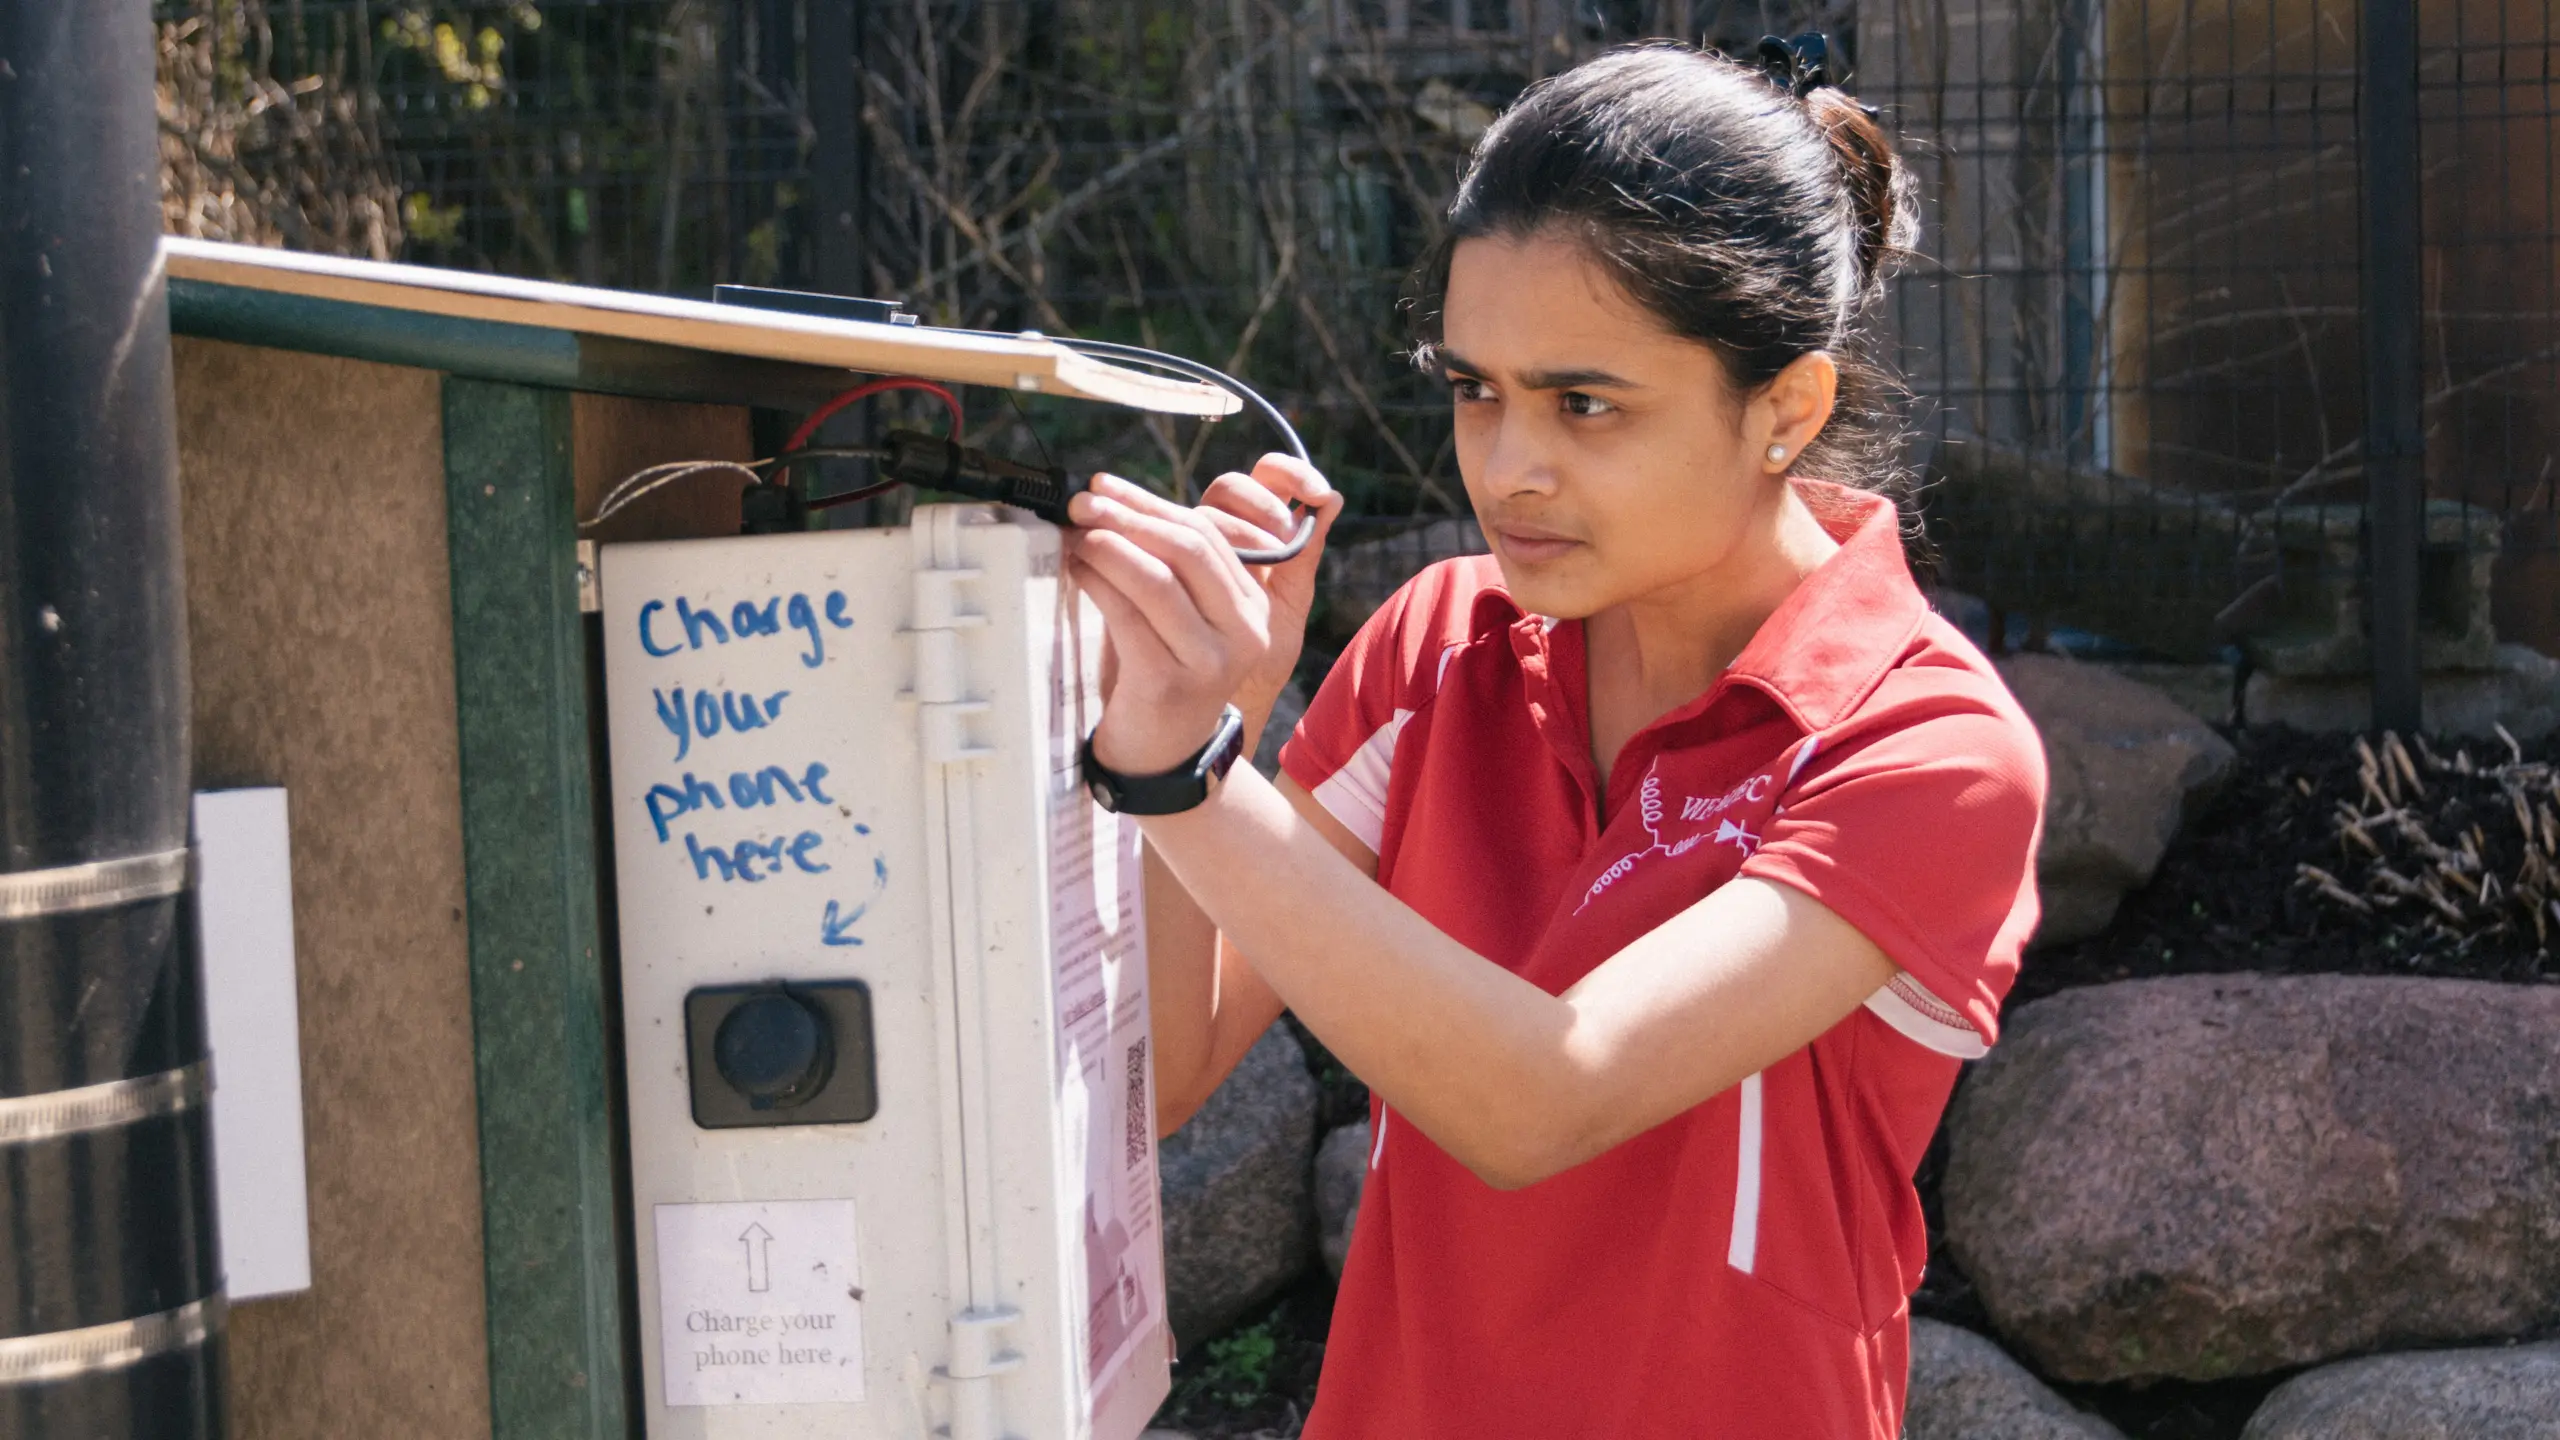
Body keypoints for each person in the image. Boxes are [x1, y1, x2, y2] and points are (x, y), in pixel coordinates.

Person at [1062, 37, 2046, 1439]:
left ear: (1787, 410)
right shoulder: (1430, 646)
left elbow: (1546, 1097)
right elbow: (1165, 1077)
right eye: (1478, 389)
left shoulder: (1928, 739)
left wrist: (1190, 775)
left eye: (1585, 404)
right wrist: (1196, 712)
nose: (1507, 466)